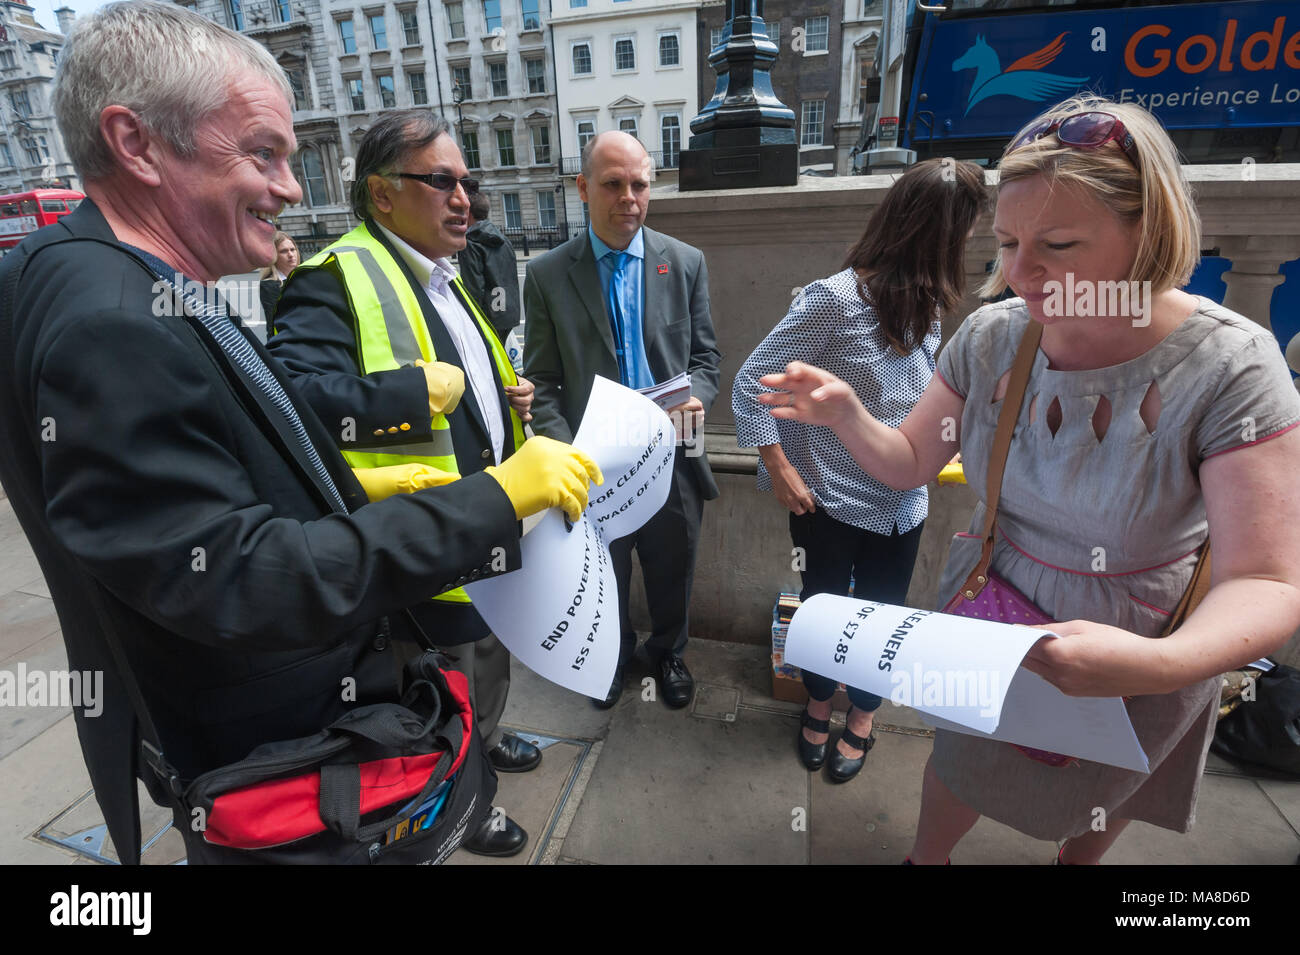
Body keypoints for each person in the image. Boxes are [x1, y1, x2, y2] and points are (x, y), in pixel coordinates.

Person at [0, 1, 600, 865]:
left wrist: (361, 491)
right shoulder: (112, 319)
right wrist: (491, 501)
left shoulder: (105, 273)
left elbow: (233, 457)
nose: (289, 186)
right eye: (262, 152)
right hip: (277, 768)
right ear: (136, 143)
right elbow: (240, 578)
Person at [761, 94, 1300, 864]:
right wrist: (848, 415)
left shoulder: (1234, 368)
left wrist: (1152, 664)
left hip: (1145, 642)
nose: (1019, 271)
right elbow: (910, 462)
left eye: (1057, 241)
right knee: (959, 764)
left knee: (1105, 795)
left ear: (1147, 229)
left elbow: (1269, 581)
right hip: (993, 614)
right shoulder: (992, 338)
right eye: (1008, 241)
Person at [267, 110, 541, 858]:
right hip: (422, 543)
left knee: (489, 654)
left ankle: (487, 734)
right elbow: (287, 399)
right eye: (443, 181)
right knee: (442, 681)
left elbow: (464, 381)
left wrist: (503, 394)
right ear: (383, 195)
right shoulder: (334, 277)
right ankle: (464, 796)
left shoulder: (449, 271)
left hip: (484, 519)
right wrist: (408, 393)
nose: (465, 199)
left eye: (468, 182)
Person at [733, 158, 988, 783]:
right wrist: (776, 461)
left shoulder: (924, 301)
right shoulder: (835, 301)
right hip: (831, 503)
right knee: (822, 612)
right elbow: (750, 383)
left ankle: (864, 716)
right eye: (965, 233)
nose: (972, 246)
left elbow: (915, 388)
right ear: (934, 233)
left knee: (884, 614)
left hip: (903, 504)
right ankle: (817, 707)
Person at [523, 131, 721, 710]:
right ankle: (609, 653)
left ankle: (669, 653)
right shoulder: (547, 276)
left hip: (674, 454)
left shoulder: (684, 263)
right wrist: (570, 452)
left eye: (639, 184)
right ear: (583, 188)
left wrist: (699, 398)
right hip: (596, 464)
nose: (628, 197)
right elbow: (545, 382)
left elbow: (707, 358)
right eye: (612, 184)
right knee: (603, 573)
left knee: (672, 567)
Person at [457, 190, 521, 344]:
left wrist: (471, 321)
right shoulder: (504, 239)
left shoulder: (471, 243)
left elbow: (474, 288)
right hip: (508, 314)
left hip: (488, 317)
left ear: (469, 213)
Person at [258, 229, 298, 322]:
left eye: (292, 249)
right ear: (274, 255)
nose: (291, 255)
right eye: (284, 251)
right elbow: (272, 322)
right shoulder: (269, 285)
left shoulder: (306, 276)